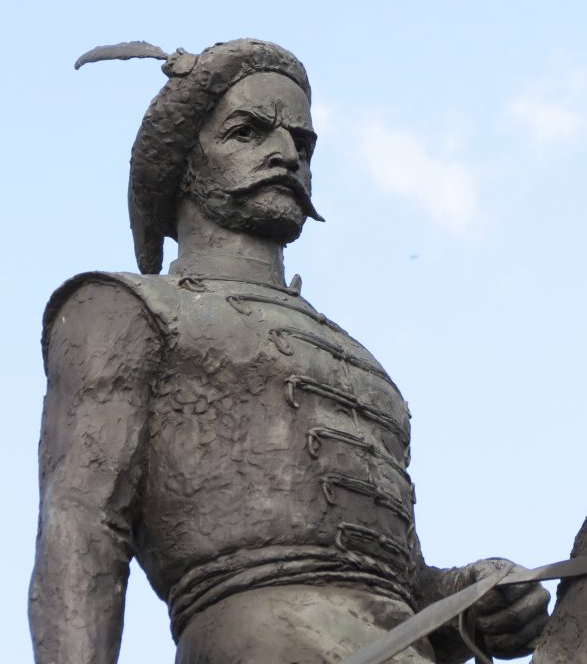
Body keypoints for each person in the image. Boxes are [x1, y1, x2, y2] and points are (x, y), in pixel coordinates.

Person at [29, 38, 549, 664]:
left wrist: (471, 598)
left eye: (301, 145)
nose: (284, 154)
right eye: (249, 132)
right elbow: (82, 526)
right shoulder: (122, 307)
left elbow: (394, 585)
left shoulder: (354, 358)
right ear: (181, 164)